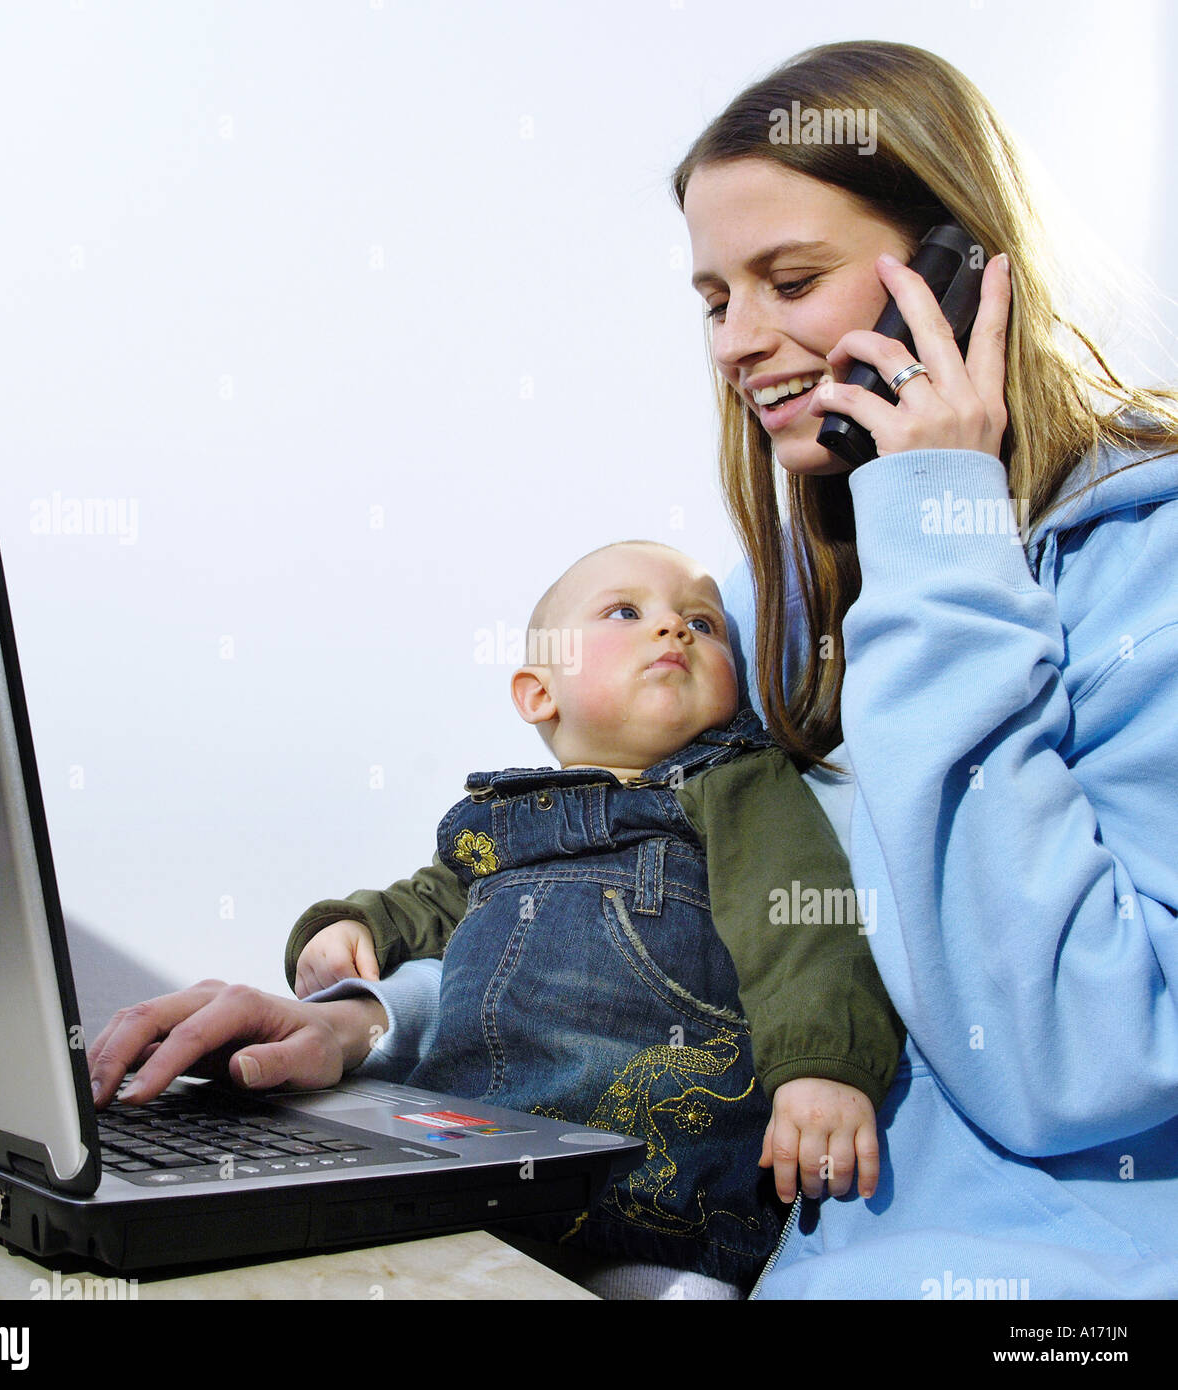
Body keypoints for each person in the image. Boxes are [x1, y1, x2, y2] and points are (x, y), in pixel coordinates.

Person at [89, 38, 1178, 1299]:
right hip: (756, 1248)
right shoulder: (774, 621)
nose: (738, 341)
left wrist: (941, 519)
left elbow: (1076, 1059)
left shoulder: (1136, 565)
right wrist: (366, 1022)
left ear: (956, 273)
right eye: (717, 298)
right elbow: (612, 911)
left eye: (792, 278)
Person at [283, 538, 903, 1296]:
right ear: (539, 694)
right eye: (627, 612)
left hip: (657, 1182)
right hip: (467, 1158)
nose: (675, 630)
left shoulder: (737, 783)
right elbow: (430, 898)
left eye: (704, 625)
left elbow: (802, 920)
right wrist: (352, 927)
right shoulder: (503, 821)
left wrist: (821, 1065)